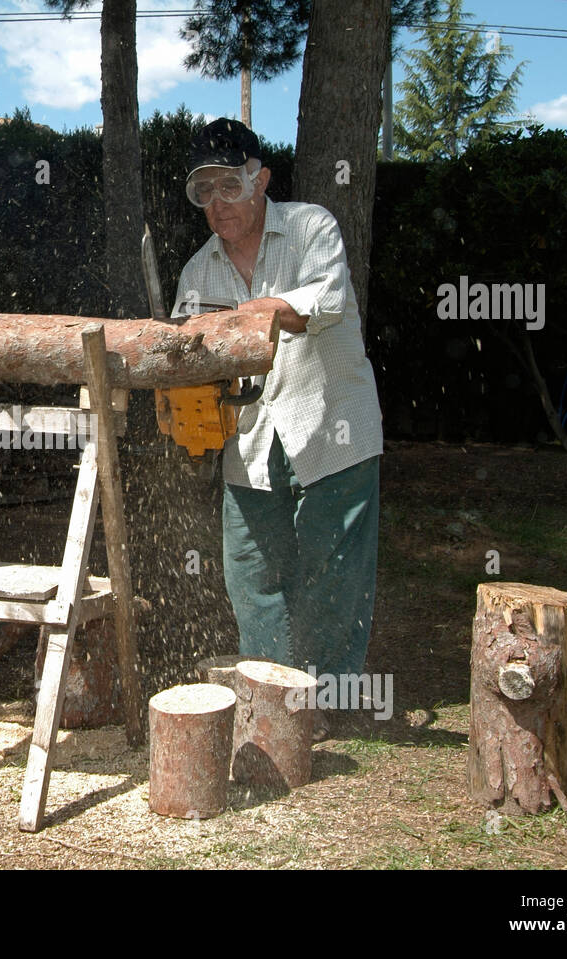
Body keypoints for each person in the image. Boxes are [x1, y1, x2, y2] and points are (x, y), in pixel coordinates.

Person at [174, 119, 383, 737]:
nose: (218, 204)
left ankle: (333, 700)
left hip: (330, 423)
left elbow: (323, 303)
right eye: (205, 191)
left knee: (333, 567)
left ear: (260, 180)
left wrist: (253, 313)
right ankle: (275, 696)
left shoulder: (312, 227)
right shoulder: (196, 272)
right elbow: (186, 357)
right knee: (249, 570)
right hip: (251, 433)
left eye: (229, 187)